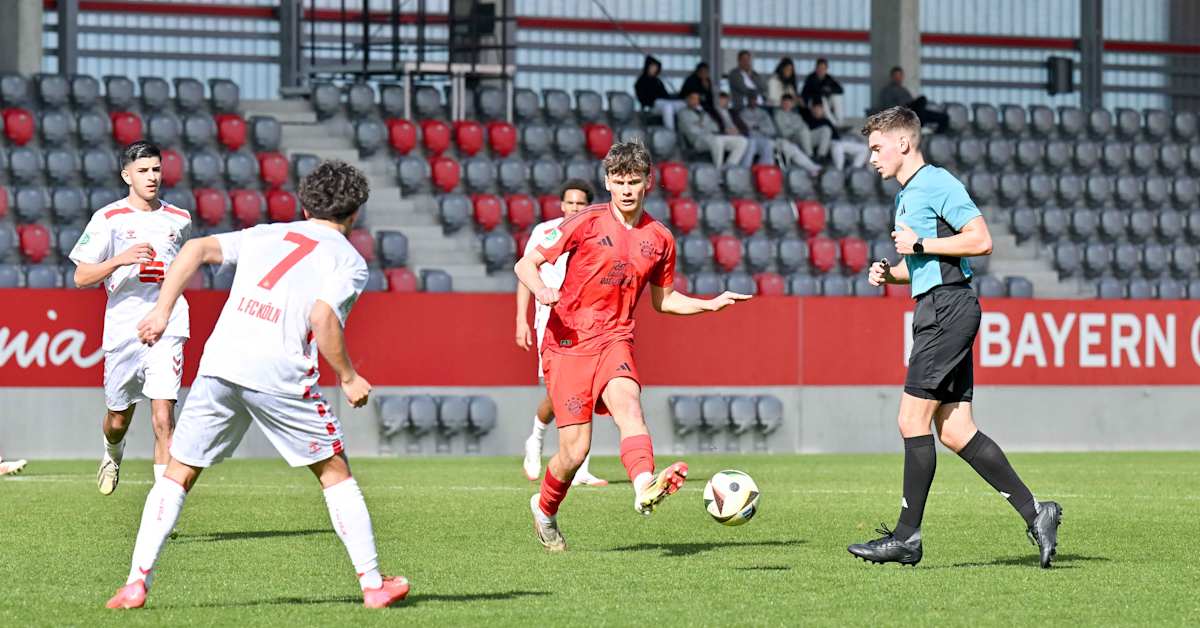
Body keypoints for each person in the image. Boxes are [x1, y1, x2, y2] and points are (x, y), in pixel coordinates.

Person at [105, 160, 410, 609]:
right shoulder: (348, 260)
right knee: (334, 472)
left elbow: (192, 251)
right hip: (279, 374)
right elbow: (322, 318)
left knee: (178, 473)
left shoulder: (267, 233)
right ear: (354, 213)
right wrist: (348, 376)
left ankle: (135, 582)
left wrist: (161, 311)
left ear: (304, 206)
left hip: (222, 363)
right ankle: (372, 585)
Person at [513, 140, 751, 551]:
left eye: (634, 181)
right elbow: (525, 264)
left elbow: (664, 300)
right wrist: (542, 291)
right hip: (567, 342)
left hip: (615, 338)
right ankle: (545, 508)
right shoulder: (584, 222)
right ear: (607, 182)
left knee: (629, 404)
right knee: (574, 451)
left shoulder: (659, 238)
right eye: (619, 181)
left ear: (648, 183)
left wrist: (710, 304)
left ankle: (644, 484)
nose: (626, 189)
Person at [852, 106, 1062, 568]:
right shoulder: (906, 196)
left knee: (911, 420)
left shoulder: (938, 183)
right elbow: (927, 264)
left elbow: (980, 239)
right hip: (938, 304)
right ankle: (1037, 512)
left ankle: (907, 538)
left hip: (948, 308)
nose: (871, 158)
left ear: (903, 143)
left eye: (876, 147)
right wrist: (894, 274)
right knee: (955, 429)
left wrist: (921, 246)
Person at [70, 140, 191, 496]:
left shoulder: (179, 218)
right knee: (118, 419)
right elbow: (81, 277)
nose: (151, 177)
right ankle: (112, 452)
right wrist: (119, 259)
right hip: (124, 328)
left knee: (163, 418)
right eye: (143, 171)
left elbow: (183, 267)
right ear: (127, 175)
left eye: (156, 169)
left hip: (167, 323)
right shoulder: (108, 218)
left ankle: (162, 509)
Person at [516, 179, 608, 487]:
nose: (574, 208)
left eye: (580, 204)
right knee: (558, 394)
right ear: (561, 204)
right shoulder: (544, 232)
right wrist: (521, 319)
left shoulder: (596, 232)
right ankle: (536, 438)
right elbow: (525, 272)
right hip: (551, 319)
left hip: (587, 321)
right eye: (569, 202)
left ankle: (580, 467)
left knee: (587, 389)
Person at [738, 99, 821, 176]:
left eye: (754, 99)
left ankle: (812, 168)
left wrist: (758, 127)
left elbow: (772, 130)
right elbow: (745, 129)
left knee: (790, 147)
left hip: (768, 138)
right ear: (747, 100)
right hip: (751, 139)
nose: (753, 101)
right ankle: (748, 172)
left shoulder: (764, 113)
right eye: (751, 99)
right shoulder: (742, 113)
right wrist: (758, 128)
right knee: (759, 144)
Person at [676, 90, 748, 169]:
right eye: (692, 98)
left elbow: (714, 126)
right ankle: (718, 169)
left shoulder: (703, 112)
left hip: (711, 136)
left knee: (742, 141)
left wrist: (701, 124)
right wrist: (704, 126)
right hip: (697, 140)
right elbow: (692, 130)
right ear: (687, 100)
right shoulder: (682, 113)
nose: (695, 101)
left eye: (697, 99)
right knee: (717, 140)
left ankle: (728, 167)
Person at [878, 66, 950, 133]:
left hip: (914, 110)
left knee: (944, 117)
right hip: (903, 112)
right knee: (922, 100)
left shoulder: (904, 90)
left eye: (900, 76)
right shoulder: (887, 91)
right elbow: (888, 107)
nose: (898, 78)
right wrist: (903, 107)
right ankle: (920, 126)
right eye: (896, 76)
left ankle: (937, 138)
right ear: (892, 77)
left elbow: (911, 101)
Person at [805, 100, 868, 170]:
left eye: (820, 108)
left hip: (839, 141)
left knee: (864, 148)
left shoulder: (826, 120)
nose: (818, 111)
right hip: (829, 145)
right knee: (838, 146)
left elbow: (836, 132)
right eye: (816, 108)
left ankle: (853, 171)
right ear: (812, 109)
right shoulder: (809, 121)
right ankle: (839, 173)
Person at [716, 92, 771, 168]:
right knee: (749, 142)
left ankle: (764, 170)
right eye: (722, 100)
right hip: (726, 135)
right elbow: (715, 126)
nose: (753, 101)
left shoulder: (732, 112)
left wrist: (739, 131)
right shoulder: (713, 112)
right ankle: (744, 169)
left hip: (746, 135)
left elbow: (742, 126)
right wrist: (725, 131)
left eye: (726, 100)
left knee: (768, 144)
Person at [774, 93, 832, 163]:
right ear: (781, 103)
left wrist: (798, 128)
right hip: (792, 138)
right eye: (785, 103)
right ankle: (810, 156)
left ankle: (821, 156)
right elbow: (784, 132)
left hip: (804, 137)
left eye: (789, 103)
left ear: (792, 104)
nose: (787, 105)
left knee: (825, 129)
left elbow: (805, 126)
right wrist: (797, 129)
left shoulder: (796, 115)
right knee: (803, 131)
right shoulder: (778, 114)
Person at [634, 55, 683, 131]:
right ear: (648, 67)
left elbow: (665, 95)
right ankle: (670, 132)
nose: (654, 69)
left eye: (656, 67)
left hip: (664, 102)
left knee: (684, 104)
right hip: (653, 106)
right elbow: (642, 99)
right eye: (652, 66)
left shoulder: (658, 81)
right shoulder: (641, 82)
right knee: (668, 107)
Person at [800, 58, 845, 124]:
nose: (821, 70)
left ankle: (840, 122)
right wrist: (823, 91)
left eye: (823, 68)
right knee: (823, 99)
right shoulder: (810, 78)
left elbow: (840, 90)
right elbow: (804, 93)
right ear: (816, 68)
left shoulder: (828, 78)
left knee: (836, 97)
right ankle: (833, 124)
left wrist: (829, 90)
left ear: (826, 69)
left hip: (826, 101)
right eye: (819, 68)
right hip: (814, 103)